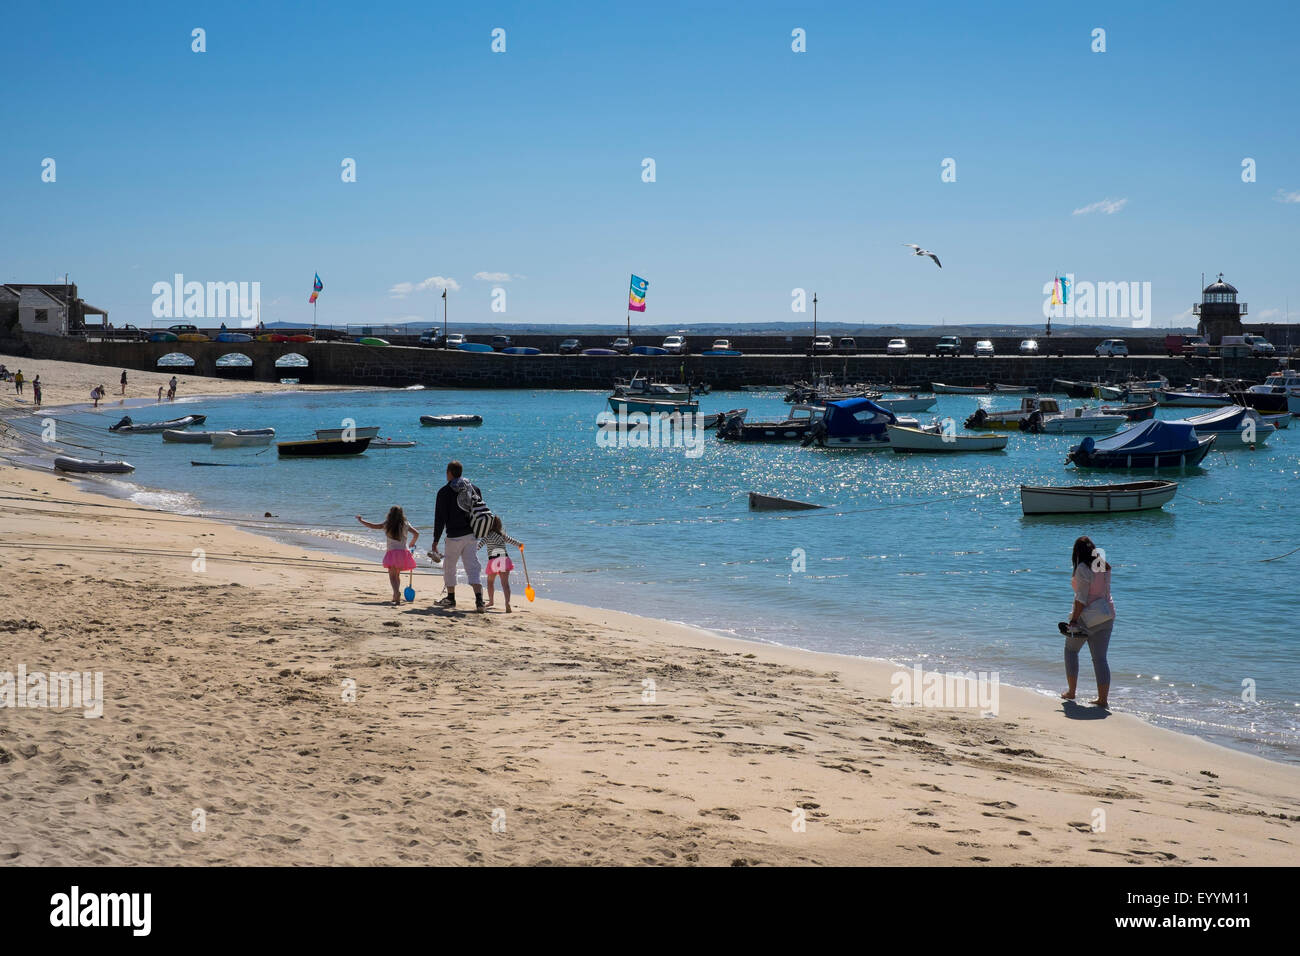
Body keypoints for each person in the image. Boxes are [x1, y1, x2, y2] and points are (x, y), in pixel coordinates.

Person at [1060, 535, 1115, 709]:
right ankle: (1103, 700)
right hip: (1107, 614)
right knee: (1100, 659)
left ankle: (1071, 692)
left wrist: (1074, 620)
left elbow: (1081, 599)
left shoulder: (1083, 568)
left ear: (1077, 553)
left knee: (1070, 651)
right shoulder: (1103, 565)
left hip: (1087, 617)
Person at [430, 460, 486, 611]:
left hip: (454, 536)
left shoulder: (444, 492)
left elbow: (439, 519)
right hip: (472, 535)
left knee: (449, 567)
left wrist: (435, 540)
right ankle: (479, 601)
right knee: (473, 566)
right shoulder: (474, 489)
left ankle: (451, 598)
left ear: (449, 473)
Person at [356, 508, 419, 606]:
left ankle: (396, 592)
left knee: (392, 576)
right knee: (397, 575)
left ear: (390, 514)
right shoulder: (405, 524)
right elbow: (416, 533)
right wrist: (412, 543)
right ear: (401, 514)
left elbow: (372, 526)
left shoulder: (387, 524)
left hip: (392, 553)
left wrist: (361, 520)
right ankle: (395, 596)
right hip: (403, 553)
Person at [479, 516, 524, 612]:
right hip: (503, 559)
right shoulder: (503, 535)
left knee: (490, 582)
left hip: (493, 560)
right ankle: (507, 603)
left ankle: (491, 601)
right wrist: (520, 544)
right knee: (505, 584)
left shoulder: (487, 536)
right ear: (500, 525)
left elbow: (479, 546)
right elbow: (514, 542)